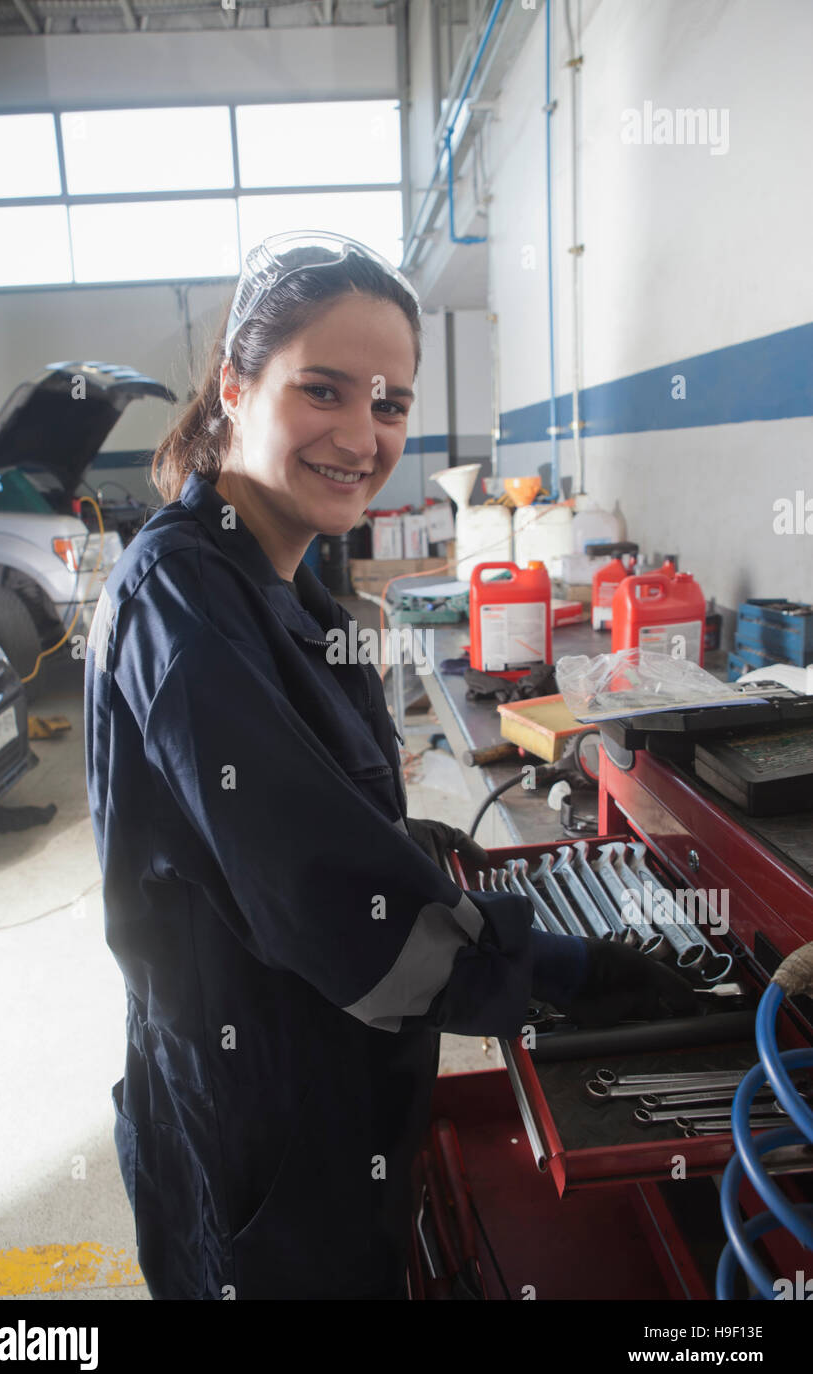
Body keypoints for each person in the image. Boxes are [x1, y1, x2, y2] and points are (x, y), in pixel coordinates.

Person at [84, 230, 695, 1301]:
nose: (361, 436)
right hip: (261, 1125)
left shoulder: (287, 584)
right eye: (321, 390)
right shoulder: (179, 598)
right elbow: (328, 897)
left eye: (389, 403)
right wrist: (567, 972)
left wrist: (409, 842)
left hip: (332, 1090)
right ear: (234, 384)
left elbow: (297, 816)